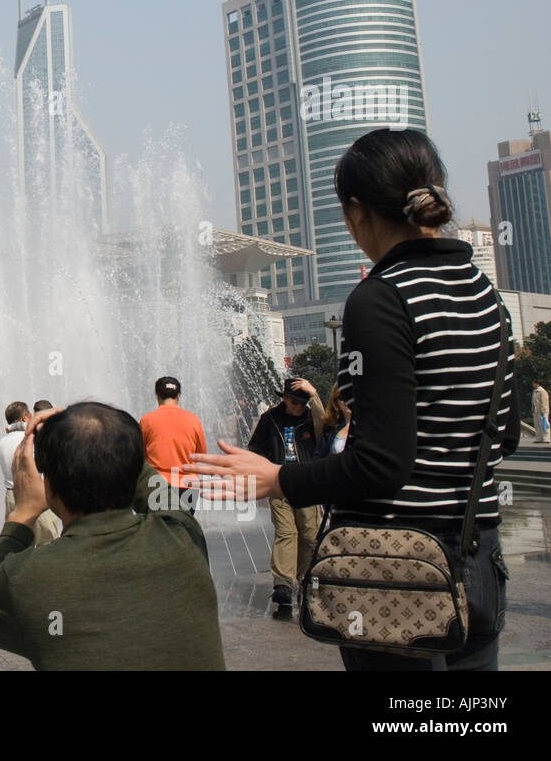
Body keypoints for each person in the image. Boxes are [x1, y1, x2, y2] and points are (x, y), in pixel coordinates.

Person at [190, 128, 520, 671]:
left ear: (356, 213)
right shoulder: (487, 296)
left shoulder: (381, 299)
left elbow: (380, 464)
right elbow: (503, 435)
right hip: (476, 557)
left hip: (393, 568)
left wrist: (277, 479)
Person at [0, 402, 226, 670]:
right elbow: (159, 494)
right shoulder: (185, 540)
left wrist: (22, 513)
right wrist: (98, 433)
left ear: (50, 489)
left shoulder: (28, 578)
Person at [246, 378, 323, 610]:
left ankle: (304, 578)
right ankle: (283, 585)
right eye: (295, 402)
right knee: (286, 532)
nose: (300, 407)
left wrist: (315, 394)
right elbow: (256, 449)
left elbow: (326, 425)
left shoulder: (311, 418)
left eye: (304, 403)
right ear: (285, 399)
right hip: (279, 481)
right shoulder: (271, 419)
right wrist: (263, 474)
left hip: (307, 482)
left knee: (309, 535)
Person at [139, 376, 207, 511]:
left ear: (157, 396)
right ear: (179, 396)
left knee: (159, 529)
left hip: (157, 483)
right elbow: (201, 454)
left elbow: (139, 454)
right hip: (187, 485)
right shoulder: (193, 420)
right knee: (183, 528)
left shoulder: (147, 420)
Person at [0, 401, 58, 545]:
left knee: (19, 543)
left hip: (12, 496)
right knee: (47, 541)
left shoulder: (3, 441)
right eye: (30, 416)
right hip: (33, 494)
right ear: (25, 418)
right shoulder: (29, 438)